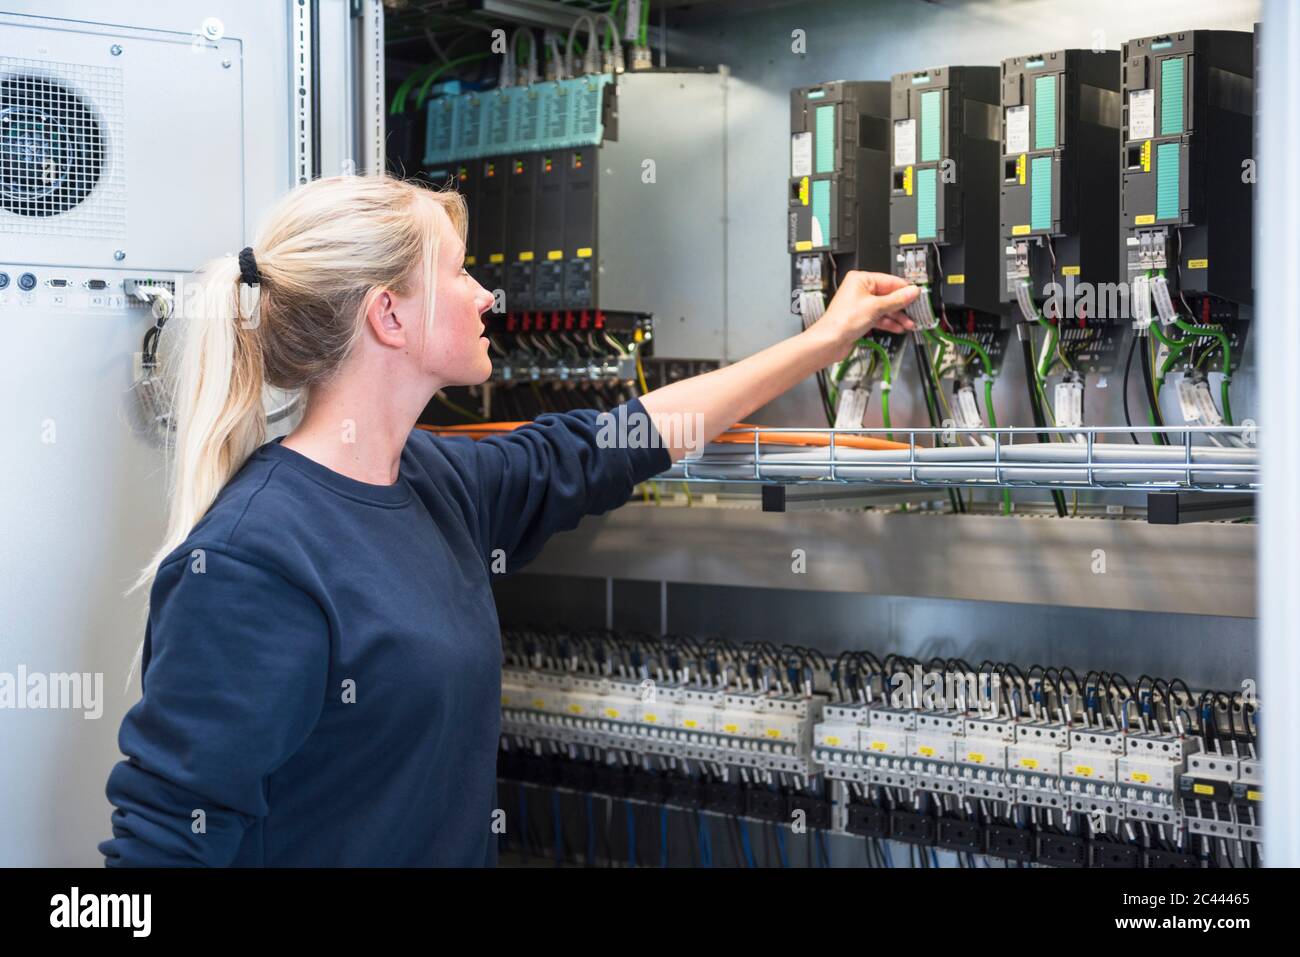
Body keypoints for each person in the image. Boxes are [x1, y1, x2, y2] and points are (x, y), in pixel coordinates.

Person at [99, 173, 917, 866]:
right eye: (458, 275)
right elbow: (162, 845)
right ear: (388, 316)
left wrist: (823, 339)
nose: (487, 295)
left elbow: (620, 439)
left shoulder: (437, 481)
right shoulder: (253, 560)